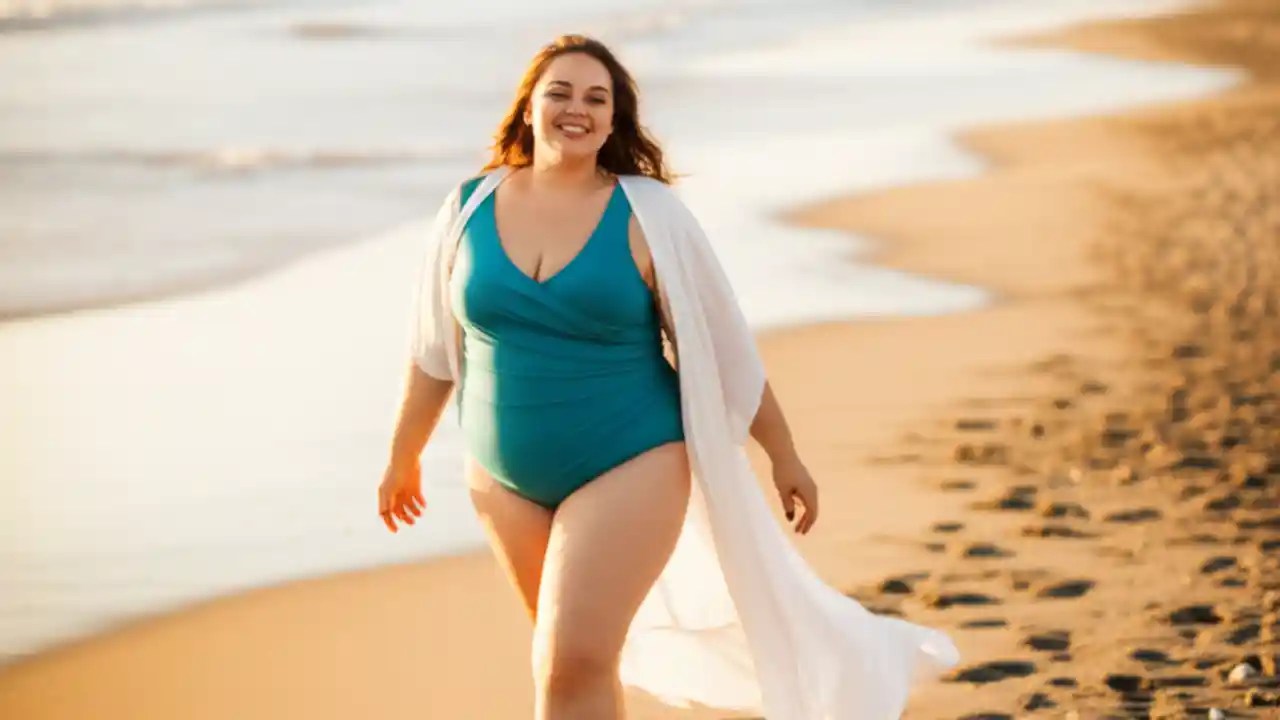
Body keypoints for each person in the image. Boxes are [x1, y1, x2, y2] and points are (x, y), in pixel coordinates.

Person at [381, 34, 958, 720]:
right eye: (559, 92)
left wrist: (784, 454)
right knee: (570, 663)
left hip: (628, 461)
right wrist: (403, 455)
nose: (576, 108)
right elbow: (433, 351)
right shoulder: (469, 206)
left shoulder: (650, 214)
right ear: (528, 108)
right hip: (501, 477)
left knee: (570, 664)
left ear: (614, 120)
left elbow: (722, 347)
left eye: (596, 98)